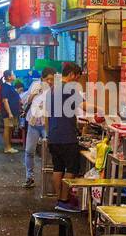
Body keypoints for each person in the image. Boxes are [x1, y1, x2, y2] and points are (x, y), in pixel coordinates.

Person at [47, 61, 84, 213]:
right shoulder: (68, 88)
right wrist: (101, 109)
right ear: (71, 74)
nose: (76, 81)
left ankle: (59, 200)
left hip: (54, 135)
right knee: (72, 167)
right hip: (66, 136)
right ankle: (64, 200)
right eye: (77, 77)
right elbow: (83, 105)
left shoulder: (52, 89)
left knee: (58, 168)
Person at [21, 66, 54, 188]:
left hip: (48, 125)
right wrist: (33, 95)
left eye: (52, 79)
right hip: (34, 123)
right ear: (42, 79)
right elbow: (25, 101)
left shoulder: (56, 89)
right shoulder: (35, 85)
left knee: (50, 151)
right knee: (29, 151)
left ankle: (50, 180)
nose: (50, 82)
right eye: (47, 79)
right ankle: (29, 177)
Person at [0, 70, 22, 154]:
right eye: (13, 74)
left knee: (10, 128)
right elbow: (5, 100)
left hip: (13, 112)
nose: (14, 75)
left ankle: (9, 146)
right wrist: (9, 113)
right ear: (9, 77)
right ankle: (7, 147)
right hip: (9, 113)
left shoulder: (10, 86)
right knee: (7, 128)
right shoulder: (5, 87)